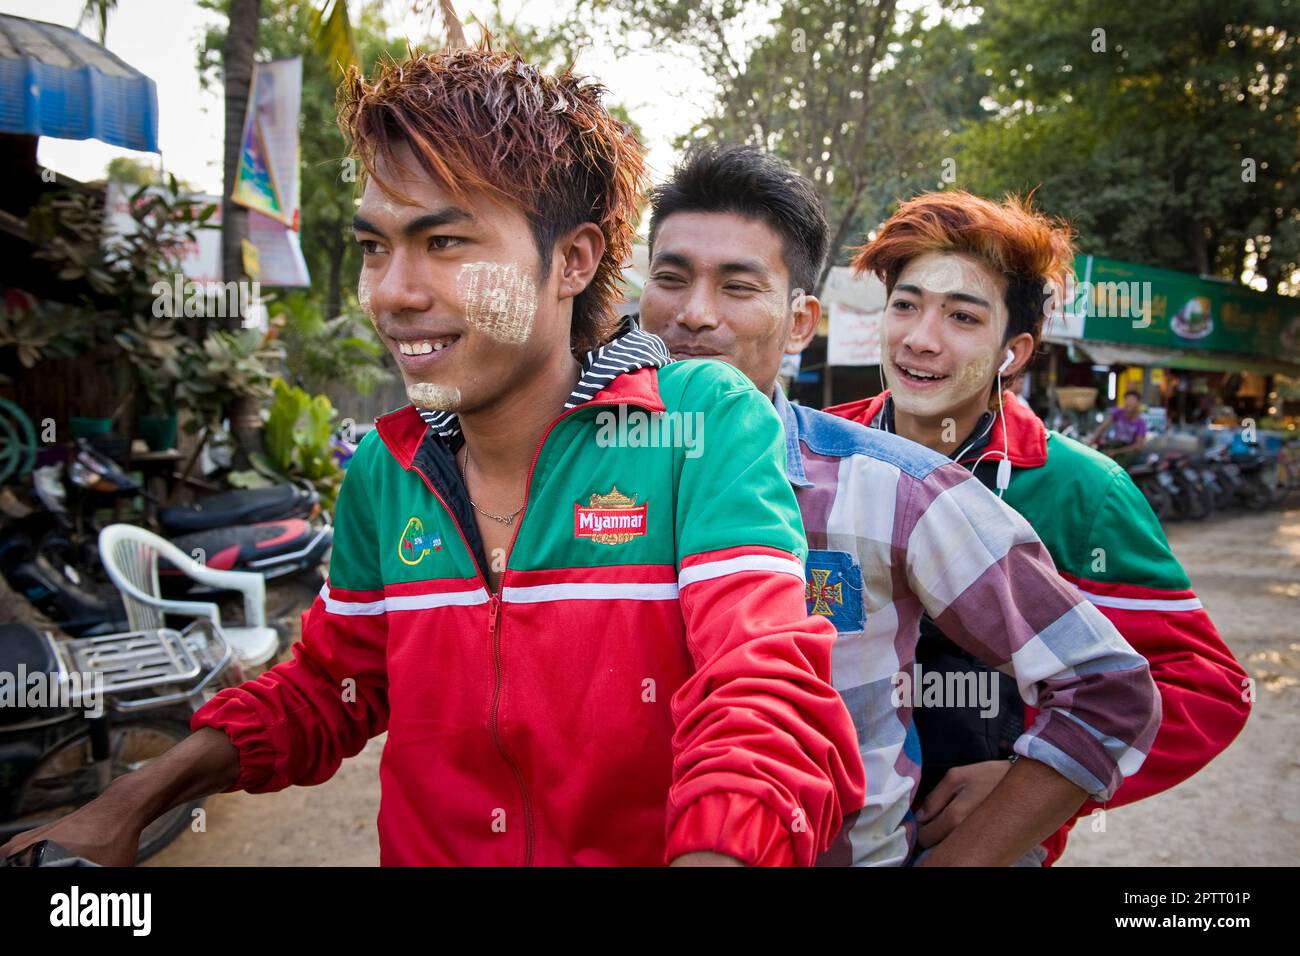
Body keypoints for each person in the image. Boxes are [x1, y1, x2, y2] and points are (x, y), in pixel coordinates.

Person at [0, 46, 865, 868]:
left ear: (572, 260)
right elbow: (329, 683)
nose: (393, 293)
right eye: (378, 246)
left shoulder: (702, 422)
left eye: (444, 243)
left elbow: (761, 690)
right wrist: (130, 801)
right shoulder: (387, 468)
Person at [637, 144, 1161, 866]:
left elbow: (1121, 690)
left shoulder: (911, 487)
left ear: (800, 323)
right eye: (907, 307)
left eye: (963, 318)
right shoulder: (556, 485)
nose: (694, 315)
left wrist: (1016, 807)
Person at [826, 189, 1250, 865]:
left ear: (1013, 352)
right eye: (906, 304)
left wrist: (1035, 780)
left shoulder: (1082, 493)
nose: (920, 337)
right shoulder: (815, 454)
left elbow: (1205, 687)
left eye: (963, 316)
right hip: (820, 833)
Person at [1090, 389, 1150, 460]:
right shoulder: (1118, 413)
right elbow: (1102, 427)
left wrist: (1116, 452)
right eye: (1127, 400)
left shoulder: (1140, 423)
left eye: (1132, 400)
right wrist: (1091, 440)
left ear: (1138, 403)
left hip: (1128, 449)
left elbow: (1137, 445)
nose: (1129, 403)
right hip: (1116, 444)